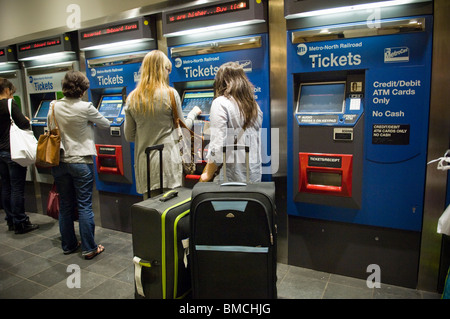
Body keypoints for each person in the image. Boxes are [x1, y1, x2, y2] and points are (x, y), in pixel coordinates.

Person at [50, 71, 110, 259]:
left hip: (59, 161)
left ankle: (68, 245)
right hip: (80, 161)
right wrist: (88, 125)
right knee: (84, 205)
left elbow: (52, 128)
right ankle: (89, 248)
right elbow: (106, 124)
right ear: (82, 89)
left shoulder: (53, 106)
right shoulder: (86, 107)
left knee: (66, 204)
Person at [124, 50, 201, 198]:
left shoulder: (132, 97)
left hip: (145, 163)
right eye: (168, 69)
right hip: (168, 163)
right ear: (161, 69)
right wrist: (193, 113)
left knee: (150, 212)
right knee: (170, 211)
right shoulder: (170, 93)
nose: (168, 73)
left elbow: (129, 136)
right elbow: (183, 129)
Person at [200, 62, 263, 183]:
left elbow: (218, 146)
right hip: (253, 176)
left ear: (220, 82)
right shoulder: (254, 105)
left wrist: (207, 174)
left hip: (230, 178)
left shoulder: (220, 103)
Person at [0, 78, 39, 234]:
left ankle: (10, 220)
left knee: (6, 186)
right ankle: (20, 222)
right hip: (13, 151)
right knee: (17, 188)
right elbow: (23, 123)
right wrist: (27, 120)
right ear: (8, 90)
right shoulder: (9, 104)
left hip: (0, 152)